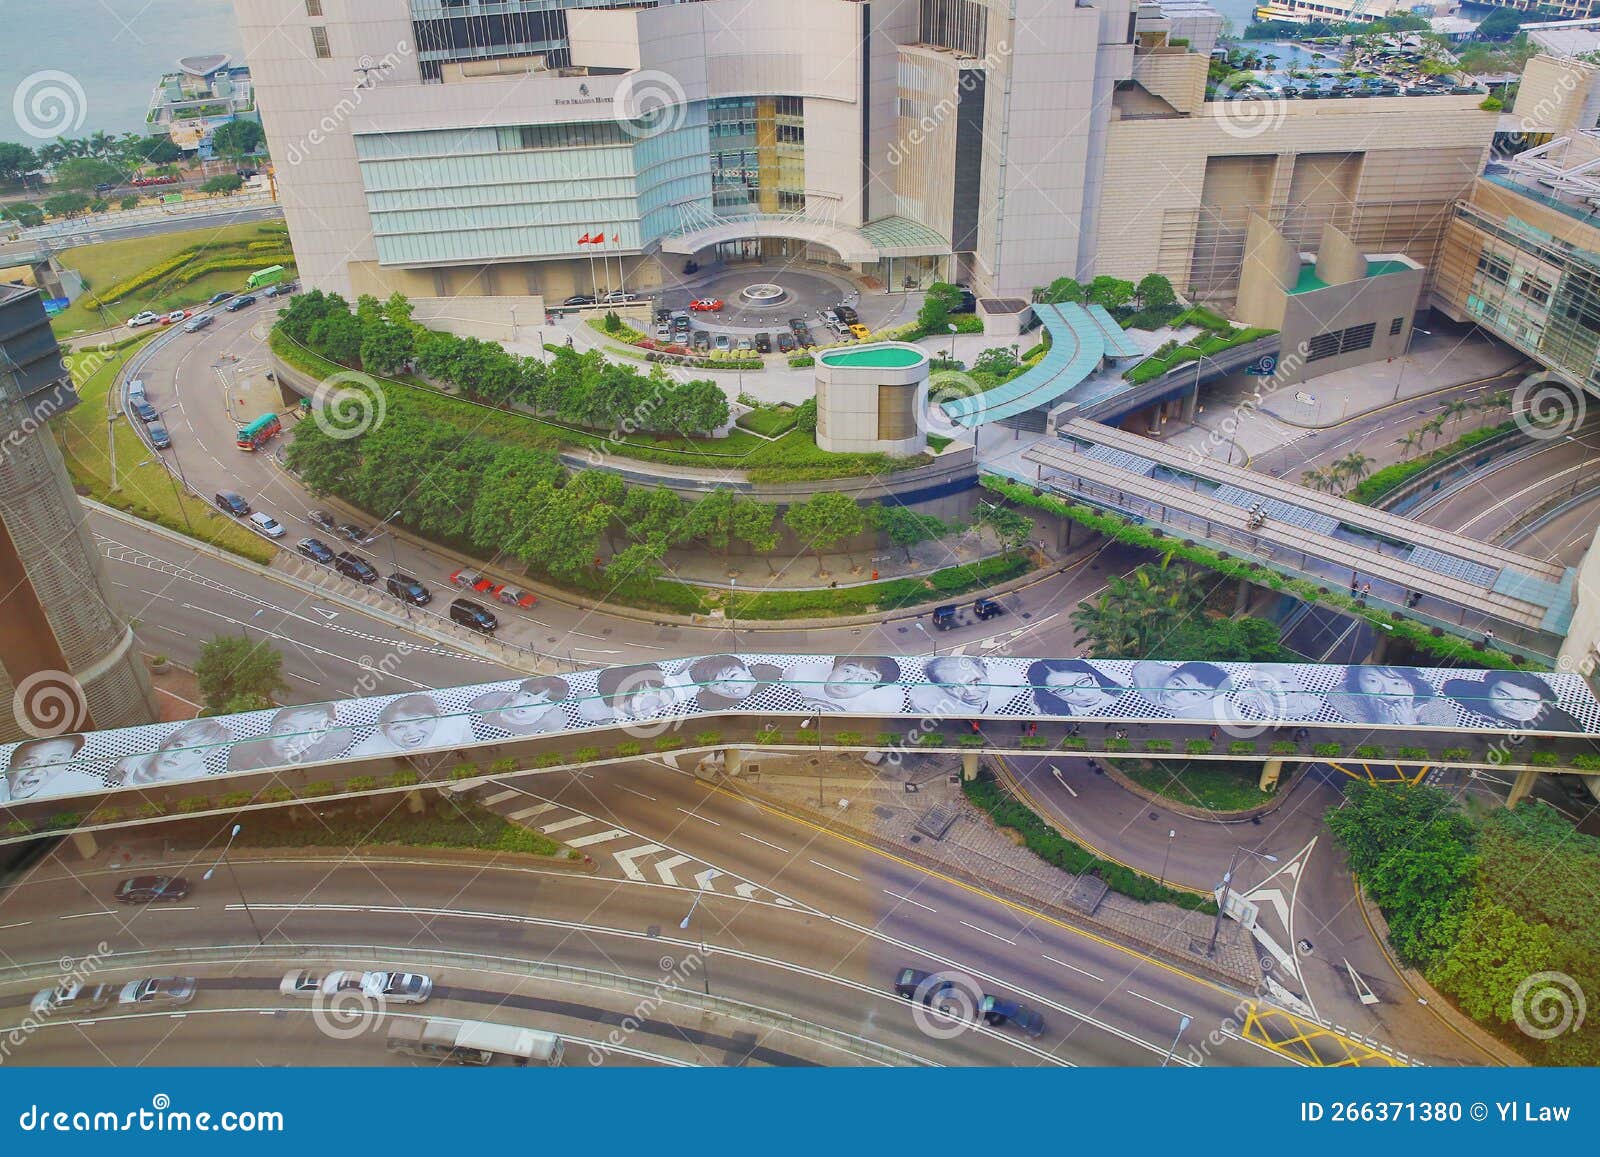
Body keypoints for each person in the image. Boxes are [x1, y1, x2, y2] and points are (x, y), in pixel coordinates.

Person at [1441, 670, 1582, 733]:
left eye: (1526, 702)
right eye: (1503, 694)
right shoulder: (1468, 691)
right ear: (1489, 688)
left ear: (1542, 706)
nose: (1511, 705)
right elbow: (1450, 687)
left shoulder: (1560, 722)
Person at [227, 703, 355, 772]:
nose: (293, 741)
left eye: (311, 730)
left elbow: (343, 735)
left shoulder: (329, 743)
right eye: (287, 730)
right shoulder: (244, 750)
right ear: (270, 731)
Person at [112, 719, 234, 787]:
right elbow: (107, 781)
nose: (179, 755)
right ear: (167, 743)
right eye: (179, 745)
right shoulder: (131, 762)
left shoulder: (198, 781)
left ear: (203, 757)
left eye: (196, 751)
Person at [1325, 666, 1454, 727]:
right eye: (1373, 681)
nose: (1386, 691)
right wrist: (1382, 723)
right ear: (1358, 682)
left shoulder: (1442, 715)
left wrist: (1411, 724)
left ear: (1413, 685)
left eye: (1396, 683)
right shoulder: (1343, 697)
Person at [348, 693, 471, 757]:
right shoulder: (364, 753)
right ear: (382, 730)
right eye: (399, 727)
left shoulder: (457, 724)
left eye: (421, 722)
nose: (412, 732)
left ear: (437, 718)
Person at [2, 734, 100, 801]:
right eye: (29, 763)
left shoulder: (83, 786)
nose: (36, 772)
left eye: (52, 762)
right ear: (8, 771)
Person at [794, 655, 902, 714]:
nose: (850, 681)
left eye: (866, 679)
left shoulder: (882, 705)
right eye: (848, 671)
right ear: (834, 667)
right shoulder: (799, 675)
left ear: (875, 687)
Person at [472, 676, 572, 738]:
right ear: (516, 694)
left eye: (543, 702)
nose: (529, 705)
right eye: (527, 696)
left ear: (550, 707)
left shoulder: (555, 720)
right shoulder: (490, 701)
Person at [1027, 658, 1126, 718]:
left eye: (1083, 682)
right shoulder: (1049, 712)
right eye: (1063, 689)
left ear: (1093, 675)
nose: (1082, 693)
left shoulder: (1123, 690)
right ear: (1051, 693)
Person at [1132, 661, 1233, 718]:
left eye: (1194, 694)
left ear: (1209, 700)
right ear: (1170, 675)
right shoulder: (1142, 673)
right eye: (1177, 684)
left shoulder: (1219, 715)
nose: (1177, 694)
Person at [908, 655, 1004, 714]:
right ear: (941, 687)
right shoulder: (926, 706)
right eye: (953, 687)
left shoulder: (1008, 683)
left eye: (975, 681)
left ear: (984, 670)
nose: (970, 692)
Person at [687, 656, 782, 712]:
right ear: (710, 690)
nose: (729, 685)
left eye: (732, 676)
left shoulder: (771, 674)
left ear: (746, 670)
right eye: (717, 684)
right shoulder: (707, 704)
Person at [594, 663, 679, 722]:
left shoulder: (668, 694)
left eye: (655, 691)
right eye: (641, 694)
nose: (643, 703)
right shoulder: (599, 710)